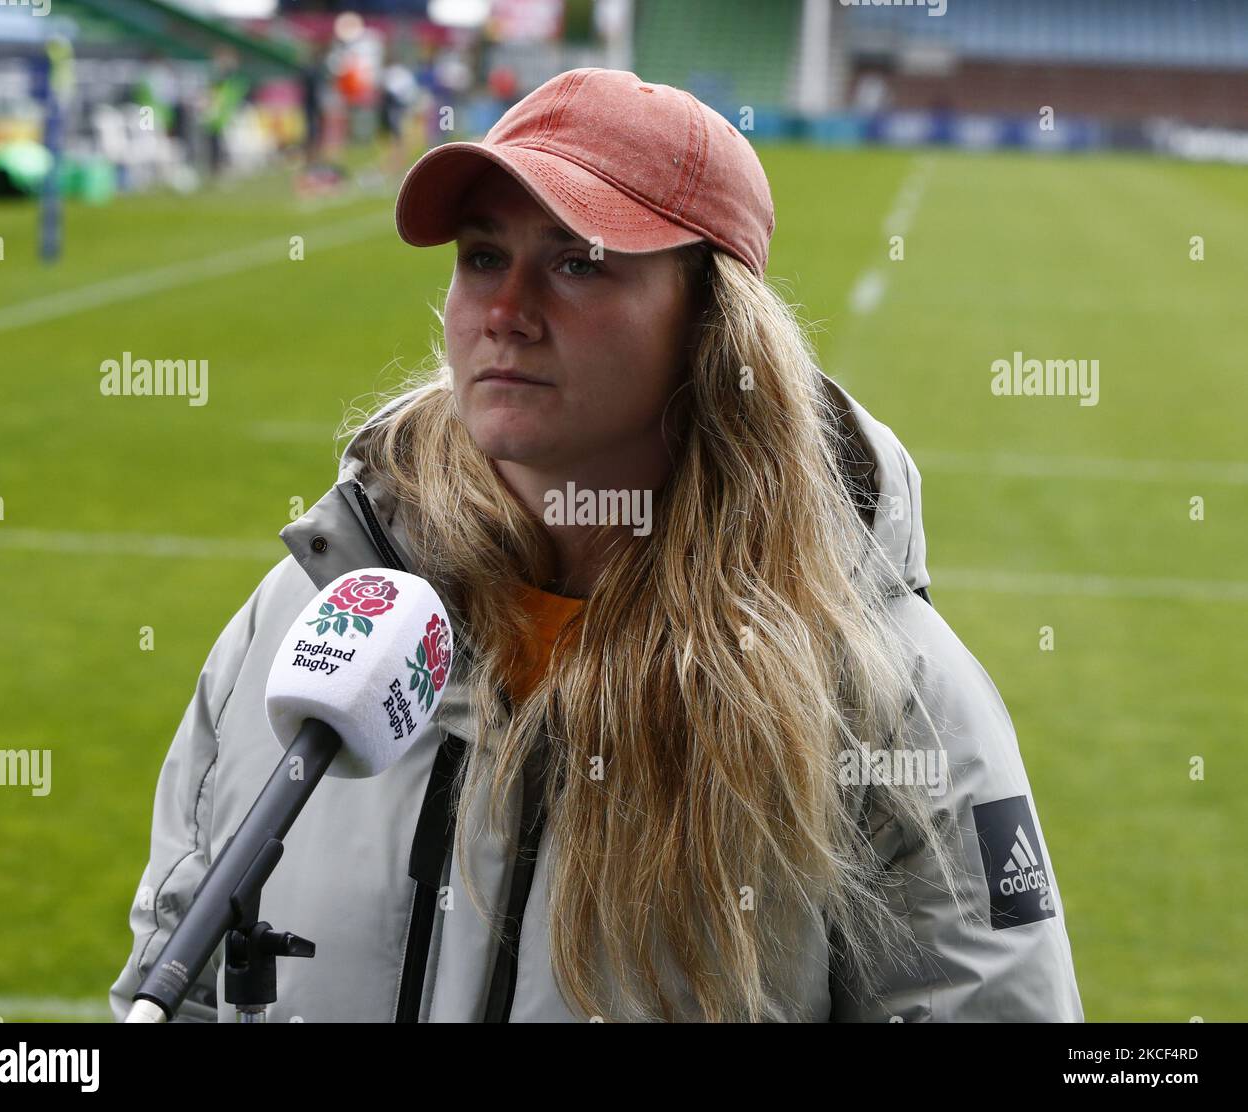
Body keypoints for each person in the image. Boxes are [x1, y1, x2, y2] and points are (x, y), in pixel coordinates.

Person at [109, 68, 1084, 1023]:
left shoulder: (880, 687)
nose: (506, 311)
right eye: (482, 256)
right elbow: (174, 972)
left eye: (576, 262)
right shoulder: (302, 616)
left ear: (711, 328)